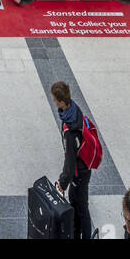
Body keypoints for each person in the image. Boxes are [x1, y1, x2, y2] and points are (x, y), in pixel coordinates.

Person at [50, 81, 93, 241]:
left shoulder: (70, 130)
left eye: (55, 100)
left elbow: (70, 161)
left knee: (81, 209)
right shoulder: (73, 110)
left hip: (79, 173)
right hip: (83, 169)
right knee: (77, 206)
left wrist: (63, 182)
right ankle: (76, 234)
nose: (54, 102)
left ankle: (85, 236)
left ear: (61, 102)